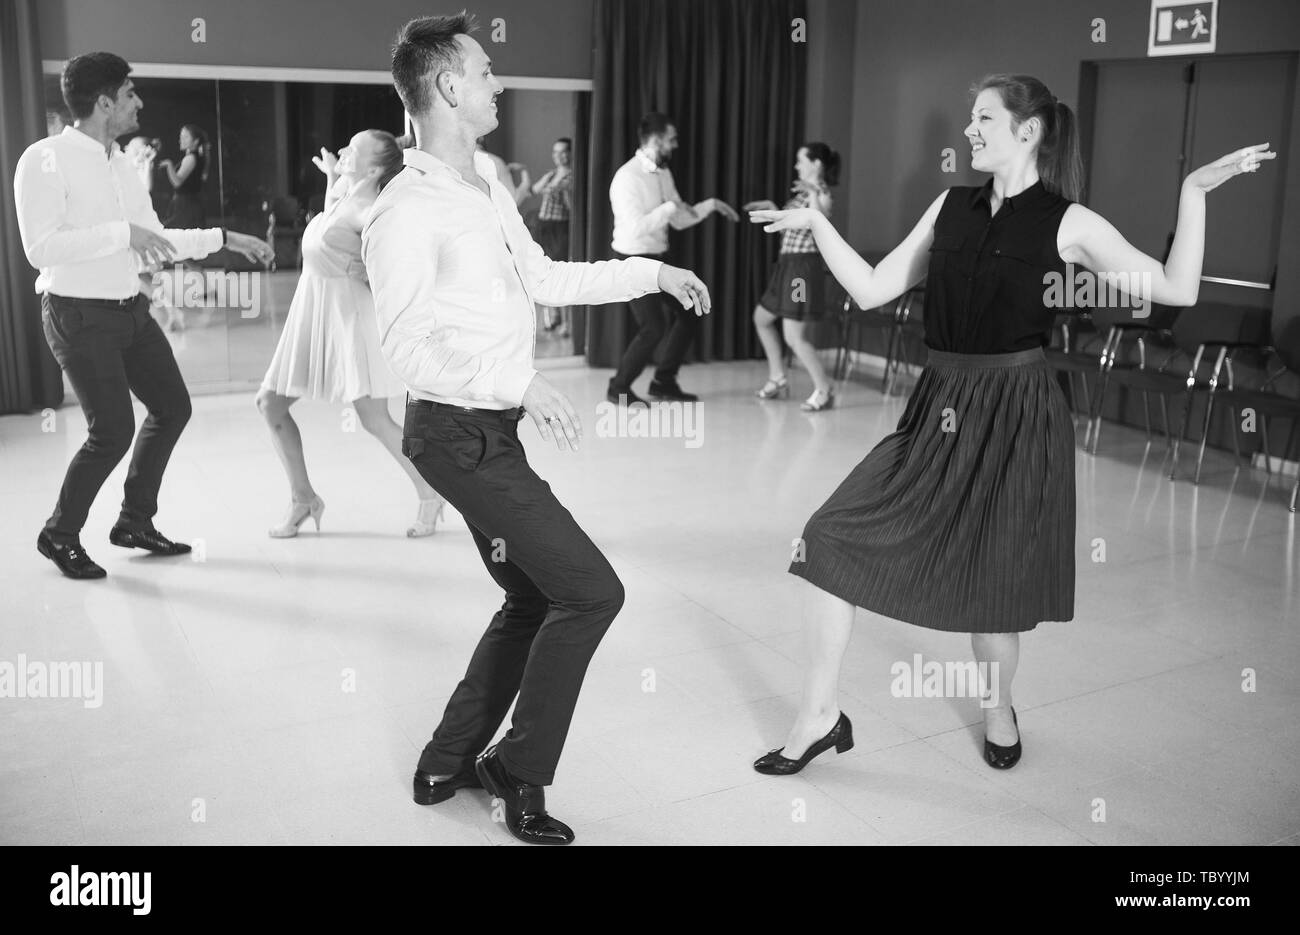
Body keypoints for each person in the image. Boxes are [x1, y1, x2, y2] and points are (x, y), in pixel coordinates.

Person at [748, 73, 1273, 775]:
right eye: (971, 118)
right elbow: (875, 287)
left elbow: (1174, 289)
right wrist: (816, 224)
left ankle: (1000, 706)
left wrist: (1195, 194)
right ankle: (819, 716)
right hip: (938, 407)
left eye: (983, 119)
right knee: (826, 541)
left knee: (992, 603)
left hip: (1018, 415)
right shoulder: (950, 205)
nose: (969, 130)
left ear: (1028, 132)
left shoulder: (1069, 223)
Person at [363, 13, 710, 845]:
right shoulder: (405, 210)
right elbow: (409, 350)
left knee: (532, 592)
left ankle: (448, 757)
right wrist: (518, 378)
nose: (498, 83)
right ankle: (516, 769)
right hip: (451, 435)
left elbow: (546, 275)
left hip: (490, 431)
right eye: (485, 71)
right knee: (592, 590)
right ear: (448, 87)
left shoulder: (484, 178)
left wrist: (651, 271)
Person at [13, 52, 273, 580]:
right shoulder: (43, 159)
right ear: (105, 102)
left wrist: (225, 239)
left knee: (173, 408)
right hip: (77, 315)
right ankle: (59, 534)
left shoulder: (121, 165)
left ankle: (133, 522)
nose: (140, 102)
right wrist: (121, 234)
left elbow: (154, 241)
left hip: (130, 310)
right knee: (111, 430)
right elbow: (41, 248)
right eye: (131, 93)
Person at [256, 130, 447, 539]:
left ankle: (431, 494)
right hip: (314, 313)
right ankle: (303, 498)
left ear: (374, 169)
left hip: (350, 320)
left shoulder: (370, 212)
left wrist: (379, 272)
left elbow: (411, 254)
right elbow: (330, 222)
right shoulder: (346, 193)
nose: (342, 150)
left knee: (373, 418)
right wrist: (330, 176)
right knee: (270, 404)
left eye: (352, 150)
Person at [606, 112, 738, 405]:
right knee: (653, 327)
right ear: (655, 140)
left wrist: (710, 205)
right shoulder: (627, 177)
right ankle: (618, 388)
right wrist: (668, 208)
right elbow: (636, 227)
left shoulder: (664, 172)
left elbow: (678, 219)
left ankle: (663, 382)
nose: (676, 145)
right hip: (632, 258)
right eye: (671, 139)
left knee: (691, 313)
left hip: (658, 257)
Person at [745, 142, 840, 411]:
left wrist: (812, 192)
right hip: (786, 266)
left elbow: (818, 221)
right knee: (761, 319)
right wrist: (772, 208)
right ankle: (777, 378)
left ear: (816, 164)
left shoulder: (821, 192)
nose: (797, 165)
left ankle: (824, 388)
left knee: (794, 336)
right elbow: (791, 228)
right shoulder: (801, 193)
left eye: (801, 160)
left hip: (802, 271)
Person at [532, 137, 573, 334]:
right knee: (542, 272)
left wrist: (565, 194)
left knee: (559, 273)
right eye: (556, 152)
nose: (559, 156)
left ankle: (566, 323)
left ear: (571, 153)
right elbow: (533, 190)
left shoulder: (571, 177)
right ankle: (551, 319)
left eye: (563, 151)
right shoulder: (551, 175)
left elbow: (572, 207)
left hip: (560, 227)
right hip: (543, 227)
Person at [159, 123, 208, 228]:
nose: (181, 140)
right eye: (181, 137)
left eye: (185, 137)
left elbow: (177, 182)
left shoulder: (190, 158)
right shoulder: (196, 157)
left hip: (185, 205)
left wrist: (169, 165)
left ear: (196, 141)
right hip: (190, 203)